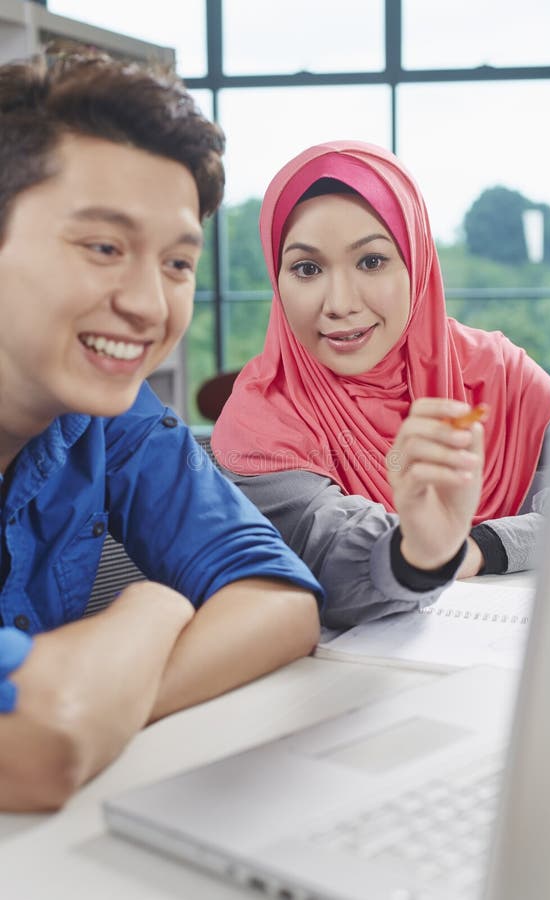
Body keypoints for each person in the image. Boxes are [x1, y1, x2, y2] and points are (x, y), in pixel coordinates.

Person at [0, 47, 323, 812]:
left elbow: (280, 600)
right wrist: (156, 606)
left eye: (178, 262)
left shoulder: (107, 412)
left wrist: (100, 699)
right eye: (104, 247)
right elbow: (36, 748)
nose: (149, 306)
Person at [212, 140, 550, 629]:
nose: (339, 303)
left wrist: (480, 549)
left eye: (371, 261)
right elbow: (326, 556)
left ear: (416, 265)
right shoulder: (262, 416)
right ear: (278, 279)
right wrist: (421, 552)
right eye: (307, 268)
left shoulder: (496, 371)